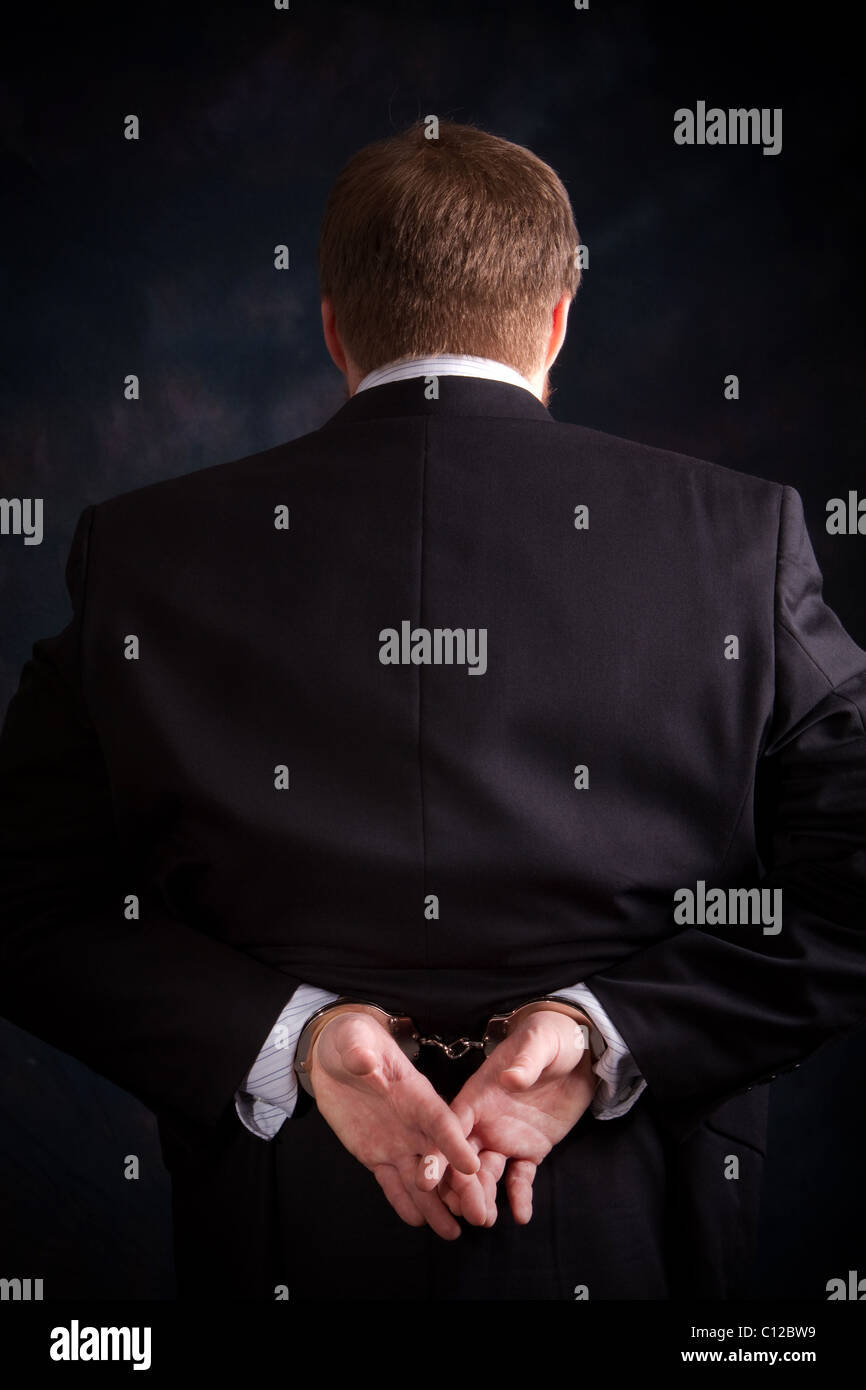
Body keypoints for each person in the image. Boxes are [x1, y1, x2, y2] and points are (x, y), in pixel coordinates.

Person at [1, 119, 865, 1301]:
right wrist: (609, 1035)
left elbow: (24, 898)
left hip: (275, 1243)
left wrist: (293, 1039)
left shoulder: (141, 552)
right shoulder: (737, 539)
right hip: (636, 1240)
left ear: (332, 326)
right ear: (558, 314)